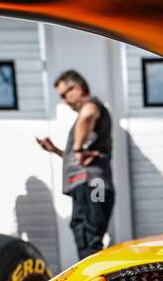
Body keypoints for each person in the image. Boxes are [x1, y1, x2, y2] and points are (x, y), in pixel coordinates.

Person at [36, 70, 114, 259]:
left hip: (93, 185)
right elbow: (77, 158)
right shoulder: (89, 116)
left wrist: (77, 149)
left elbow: (88, 115)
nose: (64, 101)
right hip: (90, 185)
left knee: (88, 238)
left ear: (77, 88)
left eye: (64, 94)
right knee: (86, 237)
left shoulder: (92, 106)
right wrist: (55, 149)